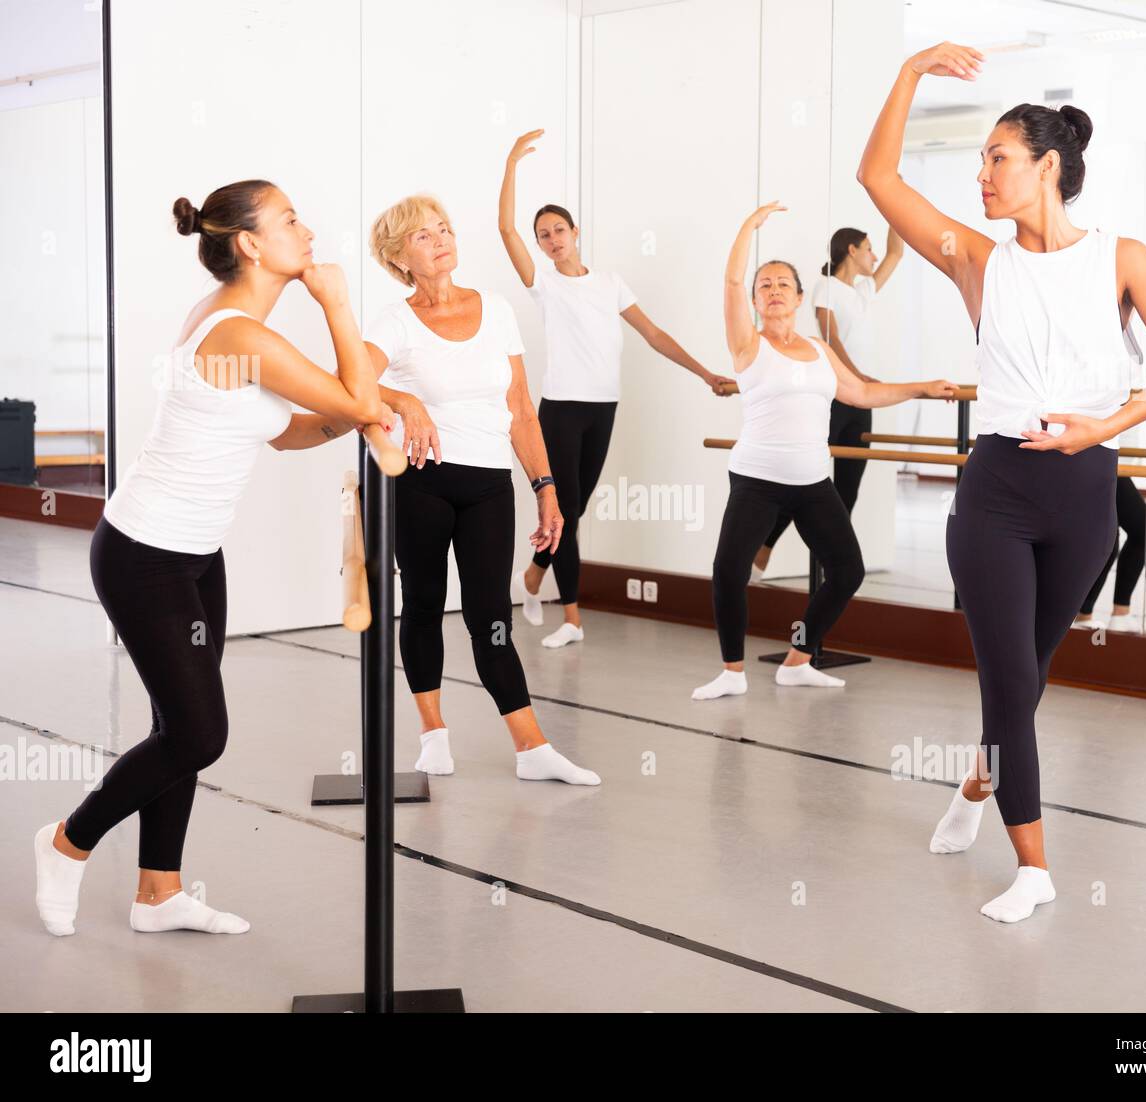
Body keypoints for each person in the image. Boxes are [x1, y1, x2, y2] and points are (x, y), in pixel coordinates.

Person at [859, 41, 1146, 922]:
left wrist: (1109, 424)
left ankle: (977, 781)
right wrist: (908, 73)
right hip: (998, 496)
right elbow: (877, 178)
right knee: (1011, 680)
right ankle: (1033, 867)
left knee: (1029, 672)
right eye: (980, 159)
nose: (982, 174)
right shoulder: (978, 260)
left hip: (1086, 497)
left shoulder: (1121, 258)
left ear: (1047, 167)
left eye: (998, 158)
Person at [35, 179, 395, 937]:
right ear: (251, 245)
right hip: (144, 555)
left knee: (177, 726)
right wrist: (336, 305)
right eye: (290, 218)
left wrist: (353, 411)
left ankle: (159, 892)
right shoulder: (238, 333)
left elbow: (288, 429)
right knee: (199, 735)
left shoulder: (237, 327)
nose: (308, 229)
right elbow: (356, 400)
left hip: (196, 554)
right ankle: (68, 841)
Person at [363, 192, 600, 785]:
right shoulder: (395, 322)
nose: (441, 239)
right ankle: (433, 733)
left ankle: (531, 749)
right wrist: (403, 399)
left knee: (491, 615)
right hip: (420, 481)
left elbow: (520, 407)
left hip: (490, 482)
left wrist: (546, 488)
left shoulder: (494, 308)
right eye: (423, 235)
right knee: (421, 603)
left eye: (443, 228)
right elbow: (349, 384)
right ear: (399, 256)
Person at [692, 202, 956, 702]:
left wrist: (921, 387)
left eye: (781, 285)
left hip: (812, 483)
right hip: (757, 480)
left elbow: (860, 394)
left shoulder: (819, 349)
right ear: (753, 300)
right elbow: (729, 284)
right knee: (729, 572)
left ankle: (798, 659)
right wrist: (748, 227)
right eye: (763, 285)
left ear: (797, 296)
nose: (772, 291)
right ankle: (731, 671)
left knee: (848, 571)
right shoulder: (748, 345)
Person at [498, 129, 730, 647]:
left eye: (559, 230)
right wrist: (512, 165)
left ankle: (534, 577)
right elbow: (504, 230)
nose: (552, 239)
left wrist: (706, 373)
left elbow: (654, 335)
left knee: (572, 511)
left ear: (576, 232)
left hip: (603, 409)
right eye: (544, 235)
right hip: (559, 409)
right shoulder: (546, 284)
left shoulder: (610, 282)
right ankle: (573, 619)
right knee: (566, 513)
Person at [752, 225, 904, 581]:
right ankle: (765, 544)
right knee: (805, 478)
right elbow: (830, 338)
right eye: (869, 249)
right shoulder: (826, 288)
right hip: (837, 394)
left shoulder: (864, 290)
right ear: (851, 250)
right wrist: (858, 378)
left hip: (860, 401)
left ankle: (831, 566)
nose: (875, 256)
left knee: (847, 487)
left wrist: (892, 201)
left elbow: (896, 252)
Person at [1074, 476, 1146, 631]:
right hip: (1090, 459)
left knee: (1109, 533)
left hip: (1098, 458)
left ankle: (1087, 614)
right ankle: (1094, 614)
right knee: (1145, 530)